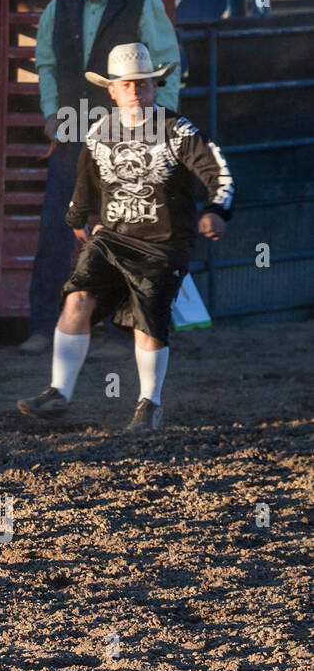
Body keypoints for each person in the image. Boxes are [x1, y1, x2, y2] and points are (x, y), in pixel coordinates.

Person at [17, 43, 234, 432]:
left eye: (142, 83)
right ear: (112, 91)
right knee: (78, 296)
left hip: (164, 244)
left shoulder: (178, 130)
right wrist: (77, 215)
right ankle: (59, 392)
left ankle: (150, 403)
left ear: (155, 86)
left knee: (147, 320)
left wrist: (217, 210)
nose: (134, 90)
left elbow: (219, 173)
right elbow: (85, 184)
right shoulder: (100, 132)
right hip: (113, 238)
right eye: (126, 84)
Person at [22, 0, 180, 358]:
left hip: (126, 132)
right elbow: (46, 63)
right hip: (74, 129)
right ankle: (44, 327)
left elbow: (168, 64)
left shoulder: (142, 2)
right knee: (57, 228)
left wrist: (157, 123)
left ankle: (118, 332)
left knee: (126, 228)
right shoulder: (62, 5)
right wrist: (51, 113)